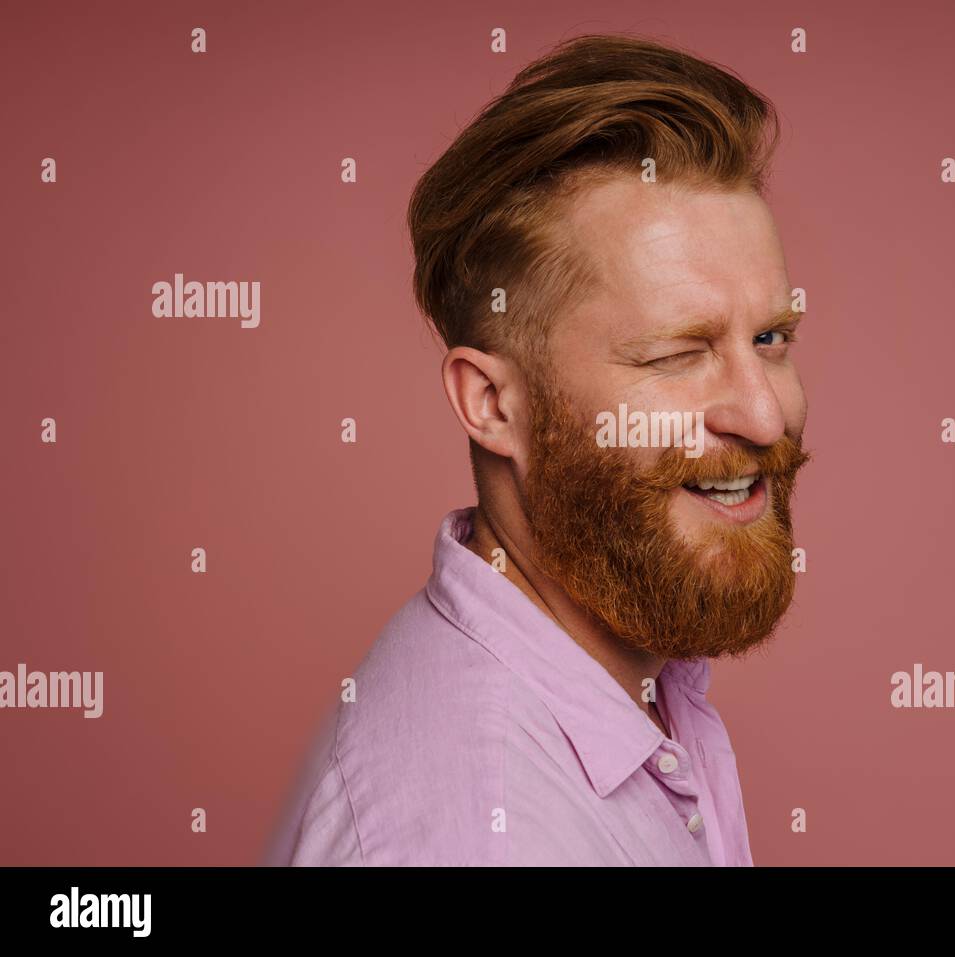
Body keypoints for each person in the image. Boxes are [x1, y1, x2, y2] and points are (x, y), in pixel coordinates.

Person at [265, 32, 810, 866]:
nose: (765, 416)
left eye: (771, 336)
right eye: (676, 355)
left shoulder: (630, 694)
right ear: (492, 403)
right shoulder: (483, 833)